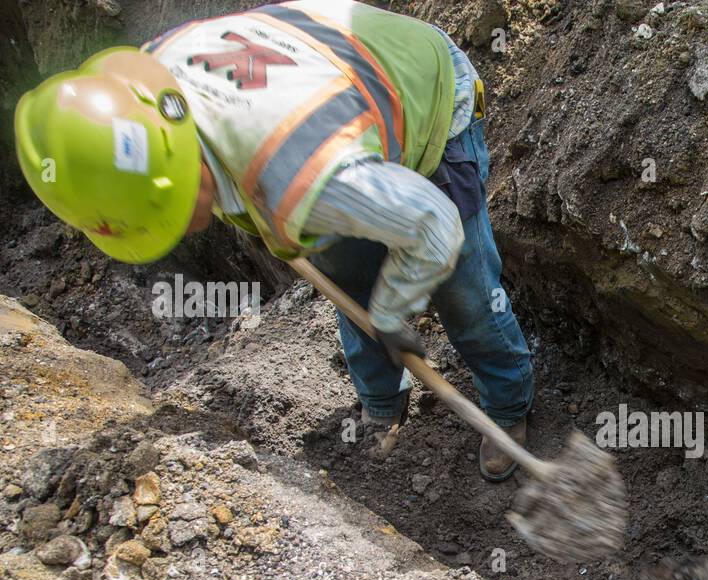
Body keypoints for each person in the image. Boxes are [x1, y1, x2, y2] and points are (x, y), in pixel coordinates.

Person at [14, 0, 532, 477]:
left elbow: (434, 226)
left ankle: (507, 408)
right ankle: (382, 399)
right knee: (348, 280)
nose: (174, 231)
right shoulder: (143, 90)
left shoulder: (299, 174)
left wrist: (394, 314)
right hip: (337, 106)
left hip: (422, 96)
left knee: (466, 294)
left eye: (166, 214)